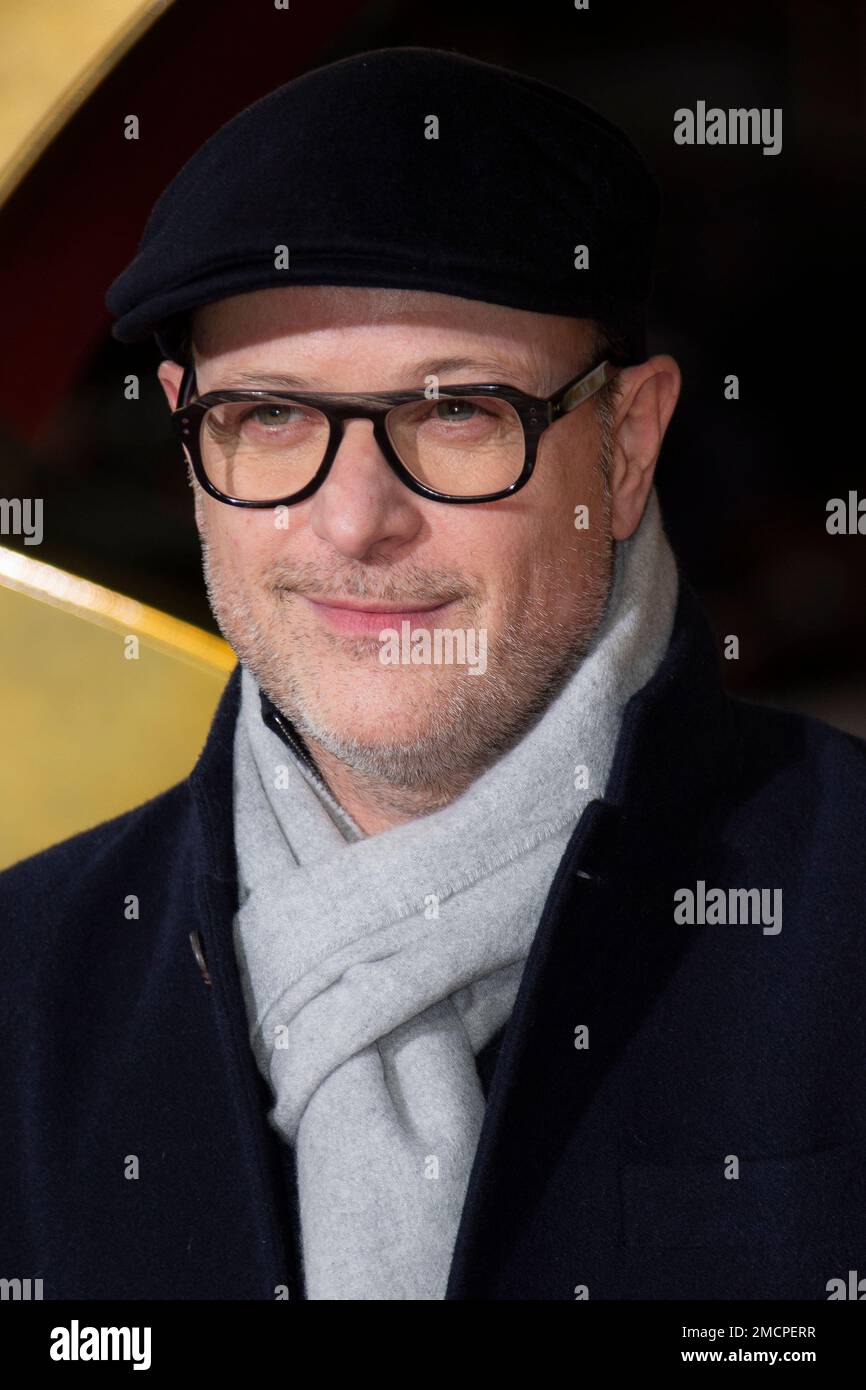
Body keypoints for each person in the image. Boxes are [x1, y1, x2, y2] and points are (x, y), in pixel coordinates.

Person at [2, 46, 865, 1303]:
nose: (356, 521)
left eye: (455, 411)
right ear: (192, 443)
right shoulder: (23, 985)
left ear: (624, 445)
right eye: (272, 417)